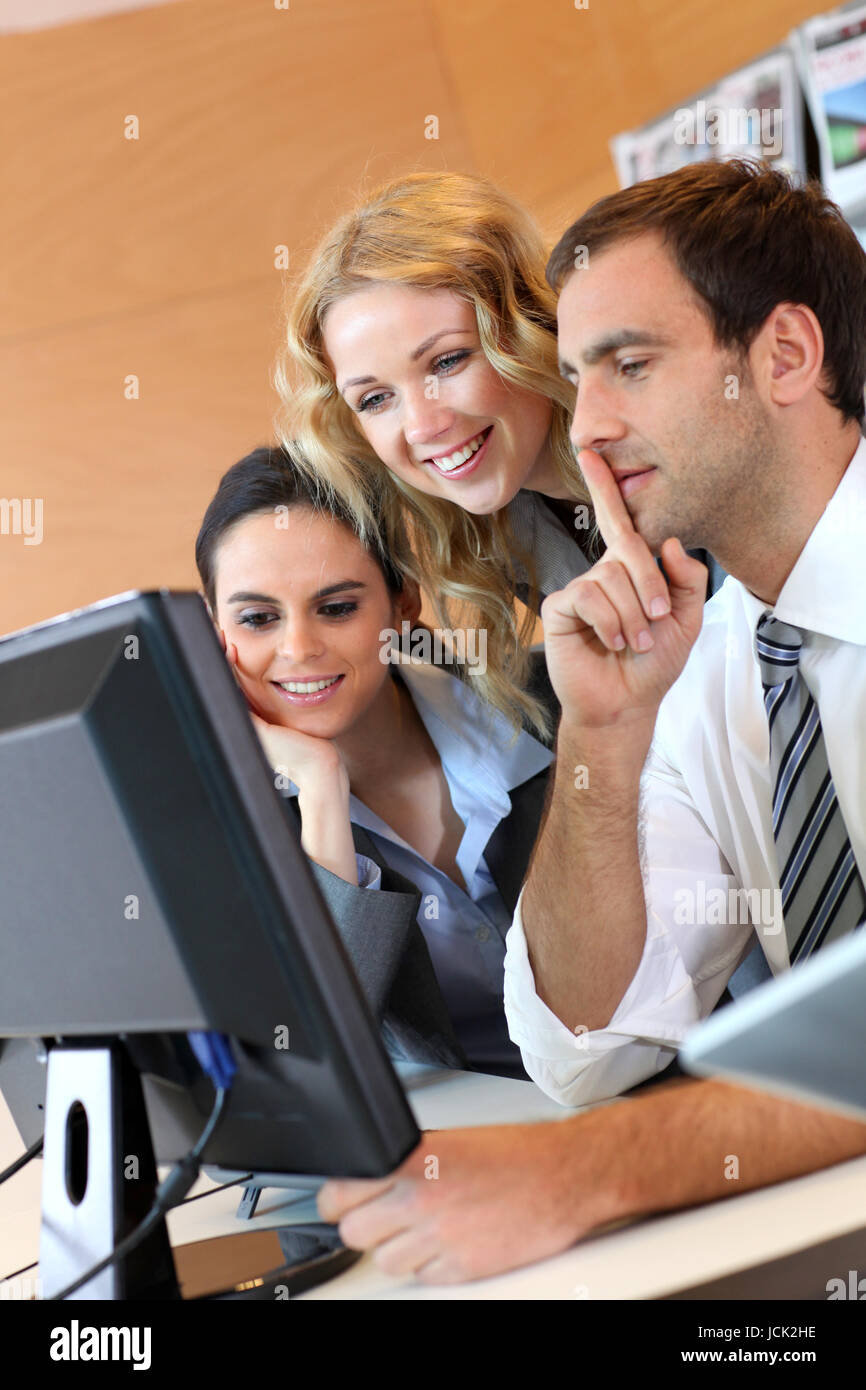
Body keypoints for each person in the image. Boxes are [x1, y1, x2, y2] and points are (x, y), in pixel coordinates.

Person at [315, 160, 866, 1284]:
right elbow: (577, 1051)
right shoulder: (703, 649)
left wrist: (584, 1171)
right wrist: (599, 744)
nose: (593, 420)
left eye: (626, 365)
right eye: (373, 397)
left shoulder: (731, 572)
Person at [195, 444, 557, 1079]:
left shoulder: (552, 707)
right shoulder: (212, 830)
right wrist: (319, 786)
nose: (299, 648)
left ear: (402, 605)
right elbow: (315, 1071)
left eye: (337, 608)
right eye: (257, 618)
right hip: (461, 1153)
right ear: (213, 634)